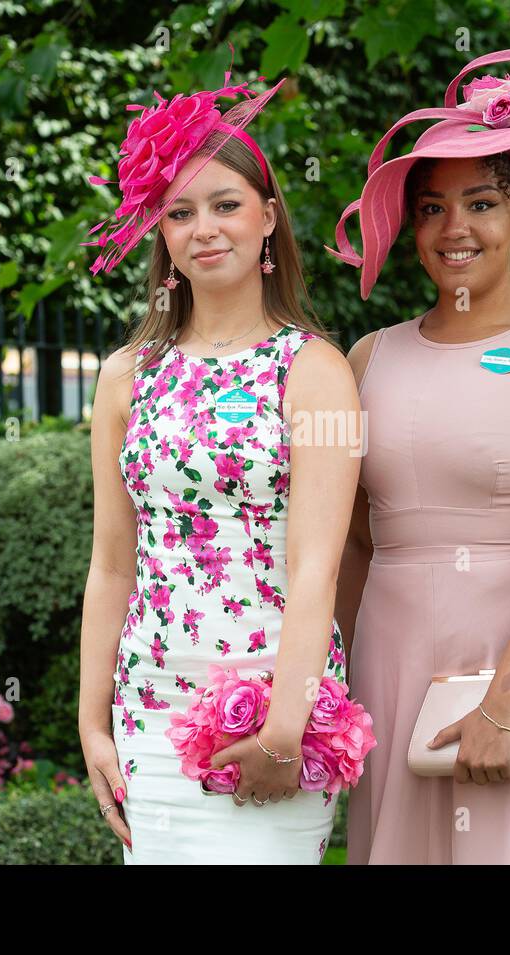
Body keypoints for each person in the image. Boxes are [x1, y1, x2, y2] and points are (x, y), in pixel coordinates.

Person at [327, 0, 510, 863]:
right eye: (432, 208)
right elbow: (349, 538)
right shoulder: (365, 358)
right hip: (391, 654)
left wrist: (505, 702)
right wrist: (350, 683)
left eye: (482, 203)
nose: (455, 228)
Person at [77, 70, 362, 864]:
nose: (204, 227)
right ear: (160, 233)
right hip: (149, 714)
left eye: (226, 204)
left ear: (268, 218)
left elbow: (316, 568)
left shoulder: (313, 369)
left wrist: (284, 728)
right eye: (179, 211)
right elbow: (110, 565)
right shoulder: (124, 376)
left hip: (273, 714)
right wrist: (91, 722)